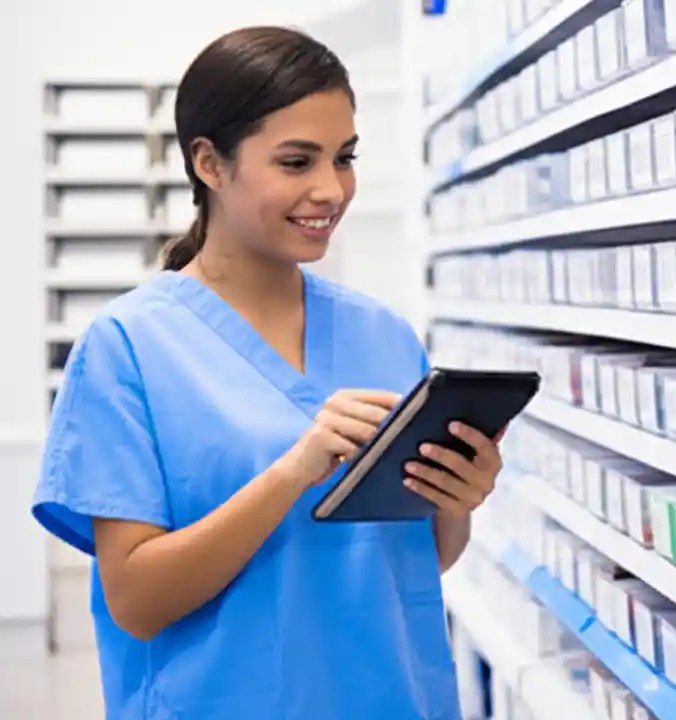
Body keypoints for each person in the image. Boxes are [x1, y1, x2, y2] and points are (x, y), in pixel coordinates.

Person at [31, 26, 494, 720]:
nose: (330, 189)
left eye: (344, 158)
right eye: (296, 161)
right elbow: (136, 600)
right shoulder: (128, 347)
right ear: (210, 164)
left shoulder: (384, 336)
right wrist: (292, 472)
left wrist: (460, 497)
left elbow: (414, 562)